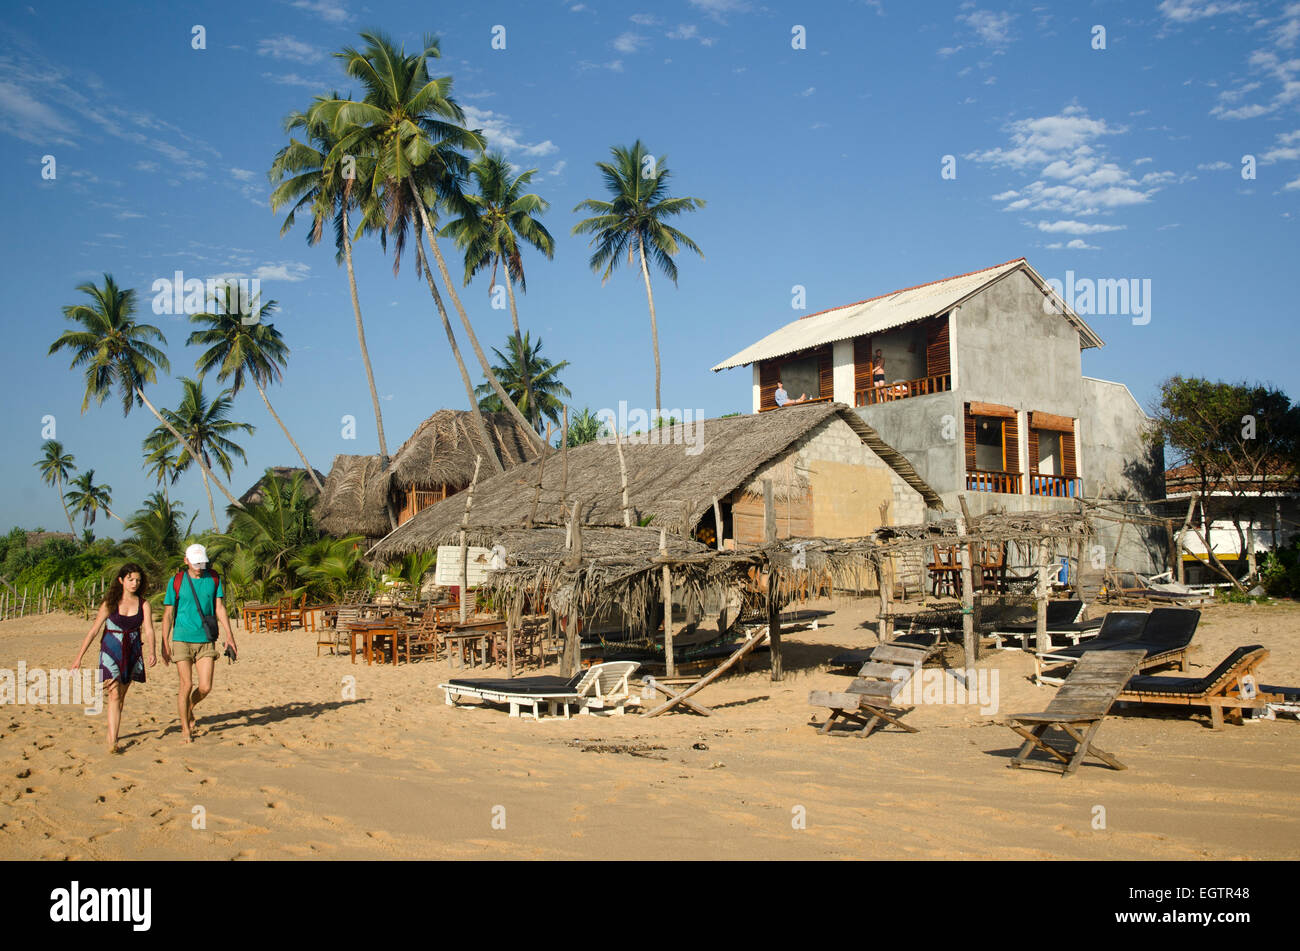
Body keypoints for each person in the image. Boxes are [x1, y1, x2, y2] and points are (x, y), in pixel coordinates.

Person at [71, 563, 157, 753]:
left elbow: (149, 630)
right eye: (130, 579)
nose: (134, 583)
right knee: (114, 694)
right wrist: (79, 658)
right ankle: (113, 741)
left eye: (138, 580)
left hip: (133, 651)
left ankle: (113, 731)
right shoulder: (110, 603)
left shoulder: (144, 604)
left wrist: (152, 651)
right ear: (121, 580)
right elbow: (93, 631)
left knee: (121, 696)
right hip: (110, 650)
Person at [162, 543, 237, 743]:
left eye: (201, 562)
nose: (199, 566)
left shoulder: (213, 578)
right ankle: (185, 729)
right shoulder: (176, 581)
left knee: (205, 687)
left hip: (205, 639)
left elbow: (219, 608)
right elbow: (168, 614)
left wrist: (230, 635)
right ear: (186, 561)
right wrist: (164, 642)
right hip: (181, 638)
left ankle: (189, 707)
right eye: (195, 562)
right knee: (186, 684)